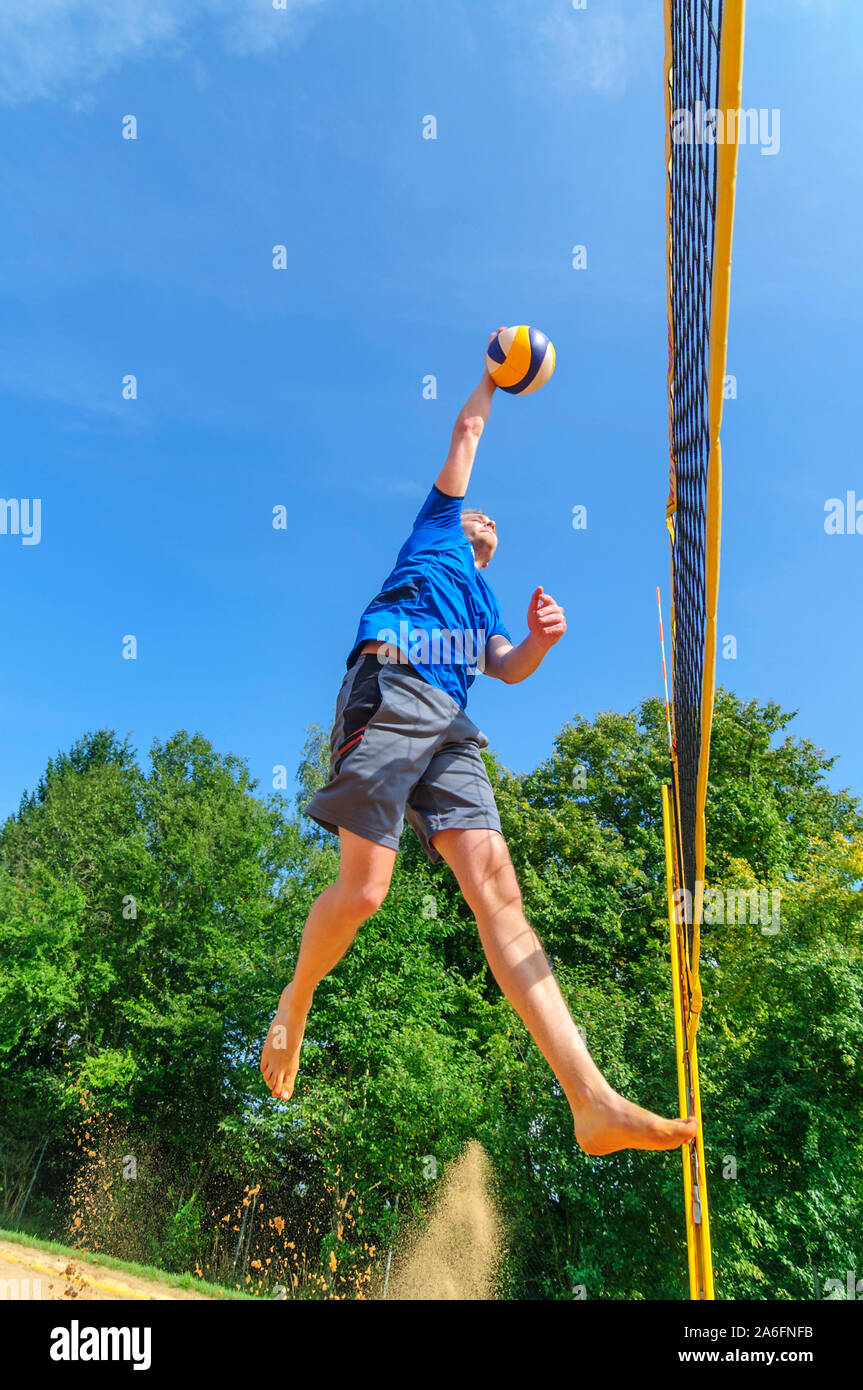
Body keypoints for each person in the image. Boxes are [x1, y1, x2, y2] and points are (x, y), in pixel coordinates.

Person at [261, 331, 697, 1156]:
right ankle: (296, 1001)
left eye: (492, 521)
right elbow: (466, 436)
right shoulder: (433, 532)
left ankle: (591, 1098)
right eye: (478, 514)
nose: (486, 518)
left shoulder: (485, 600)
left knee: (498, 890)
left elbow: (506, 667)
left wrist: (541, 640)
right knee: (363, 894)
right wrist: (492, 378)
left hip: (453, 722)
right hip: (392, 681)